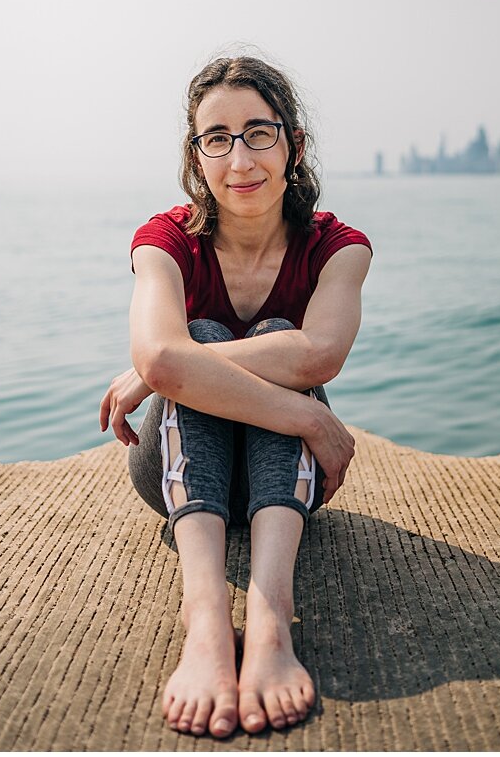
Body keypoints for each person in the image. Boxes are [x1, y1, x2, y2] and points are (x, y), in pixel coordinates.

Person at [99, 55, 371, 738]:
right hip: (179, 471)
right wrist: (307, 411)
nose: (239, 157)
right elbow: (163, 352)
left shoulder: (337, 247)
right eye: (215, 137)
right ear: (196, 154)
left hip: (294, 474)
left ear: (293, 144)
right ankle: (207, 618)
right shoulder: (164, 241)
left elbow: (319, 352)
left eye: (258, 132)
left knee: (274, 331)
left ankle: (273, 613)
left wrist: (172, 367)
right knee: (198, 329)